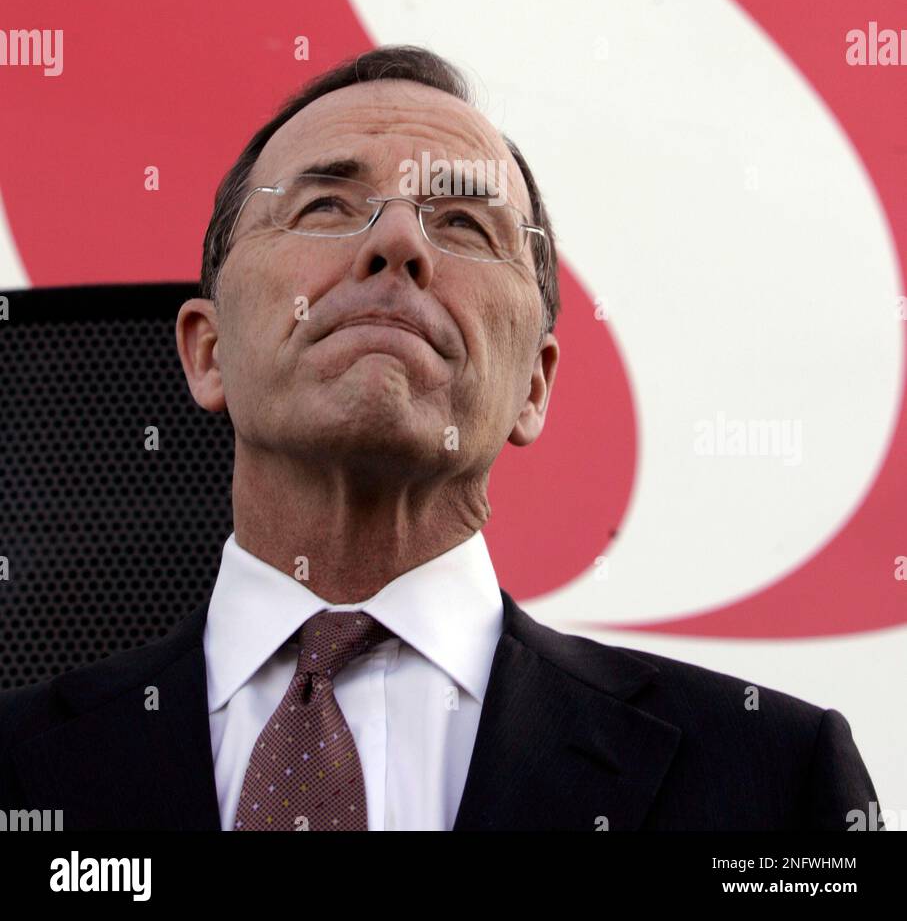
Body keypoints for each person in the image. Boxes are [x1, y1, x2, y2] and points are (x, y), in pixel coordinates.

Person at [0, 45, 883, 831]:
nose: (394, 243)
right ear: (208, 351)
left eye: (460, 223)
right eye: (324, 206)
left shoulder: (771, 780)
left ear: (532, 386)